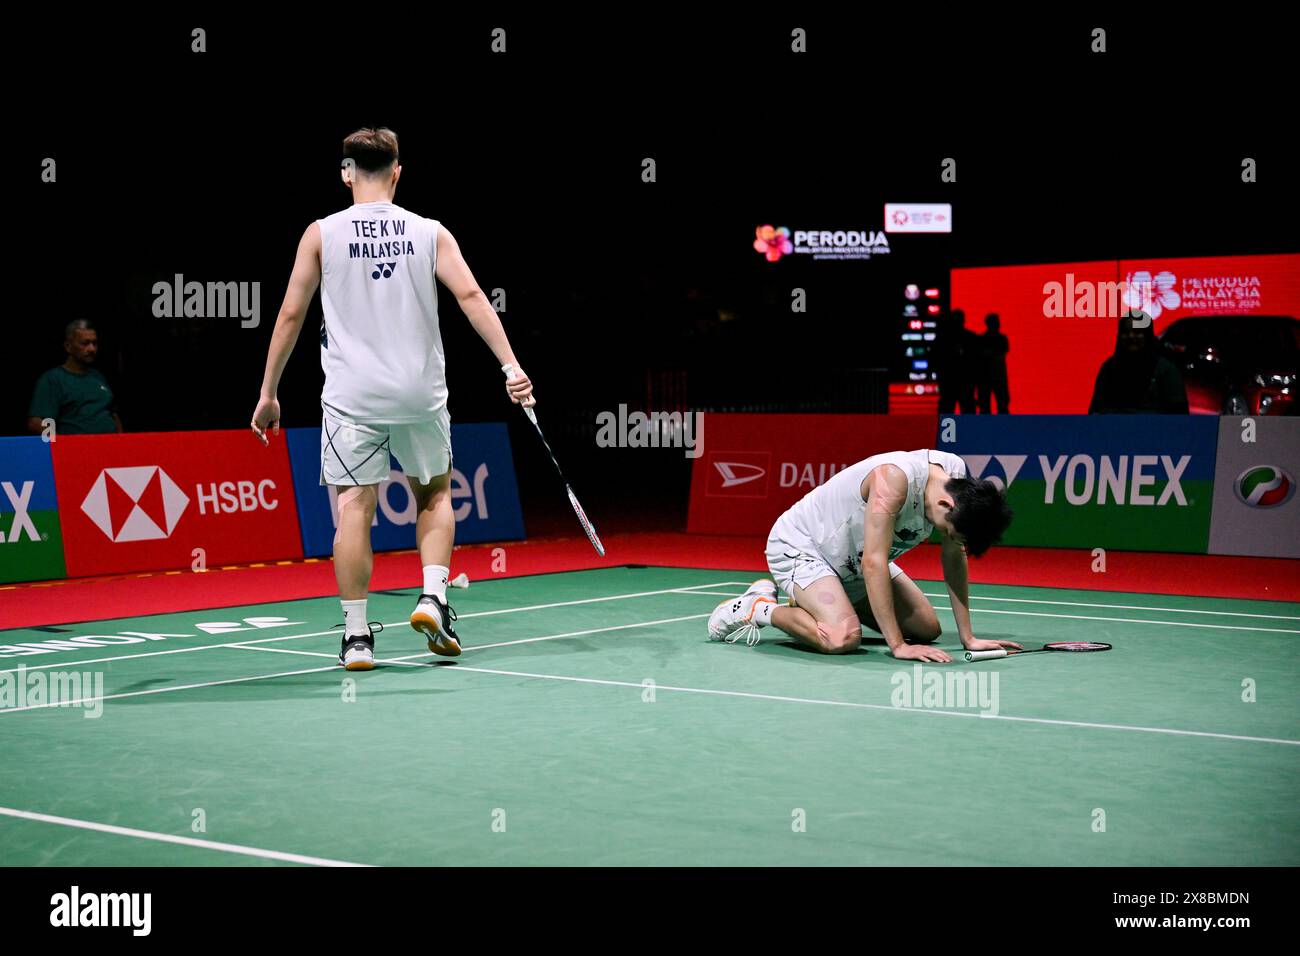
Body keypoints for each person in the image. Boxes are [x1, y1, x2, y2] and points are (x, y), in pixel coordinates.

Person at [250, 127, 534, 671]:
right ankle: (433, 598)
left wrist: (269, 392)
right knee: (434, 494)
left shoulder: (321, 233)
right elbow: (472, 295)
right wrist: (511, 367)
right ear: (398, 172)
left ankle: (357, 636)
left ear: (346, 173)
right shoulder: (429, 231)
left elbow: (290, 314)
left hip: (352, 397)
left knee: (354, 507)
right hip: (418, 393)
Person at [707, 449, 1017, 663]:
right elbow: (874, 563)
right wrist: (897, 646)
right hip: (804, 548)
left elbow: (953, 558)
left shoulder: (956, 478)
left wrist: (968, 637)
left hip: (851, 562)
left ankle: (819, 602)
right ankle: (756, 608)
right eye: (950, 532)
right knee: (841, 638)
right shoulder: (893, 480)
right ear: (946, 505)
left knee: (926, 630)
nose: (950, 538)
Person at [27, 320, 123, 436]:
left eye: (94, 343)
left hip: (110, 444)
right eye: (85, 343)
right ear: (68, 346)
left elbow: (113, 414)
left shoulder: (98, 377)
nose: (92, 349)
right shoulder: (53, 379)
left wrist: (121, 440)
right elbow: (36, 422)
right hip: (77, 445)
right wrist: (60, 443)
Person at [1088, 310, 1188, 414]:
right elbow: (1096, 410)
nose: (1131, 336)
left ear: (1147, 335)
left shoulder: (1166, 370)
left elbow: (1179, 413)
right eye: (1125, 332)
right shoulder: (1109, 368)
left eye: (1137, 332)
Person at [935, 309, 979, 414]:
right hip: (956, 381)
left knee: (951, 410)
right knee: (960, 410)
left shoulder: (942, 338)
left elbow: (936, 359)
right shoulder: (971, 337)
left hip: (955, 381)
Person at [976, 312, 1010, 414]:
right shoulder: (1000, 339)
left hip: (992, 376)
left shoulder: (982, 339)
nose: (998, 324)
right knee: (990, 405)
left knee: (994, 405)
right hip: (993, 376)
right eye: (996, 322)